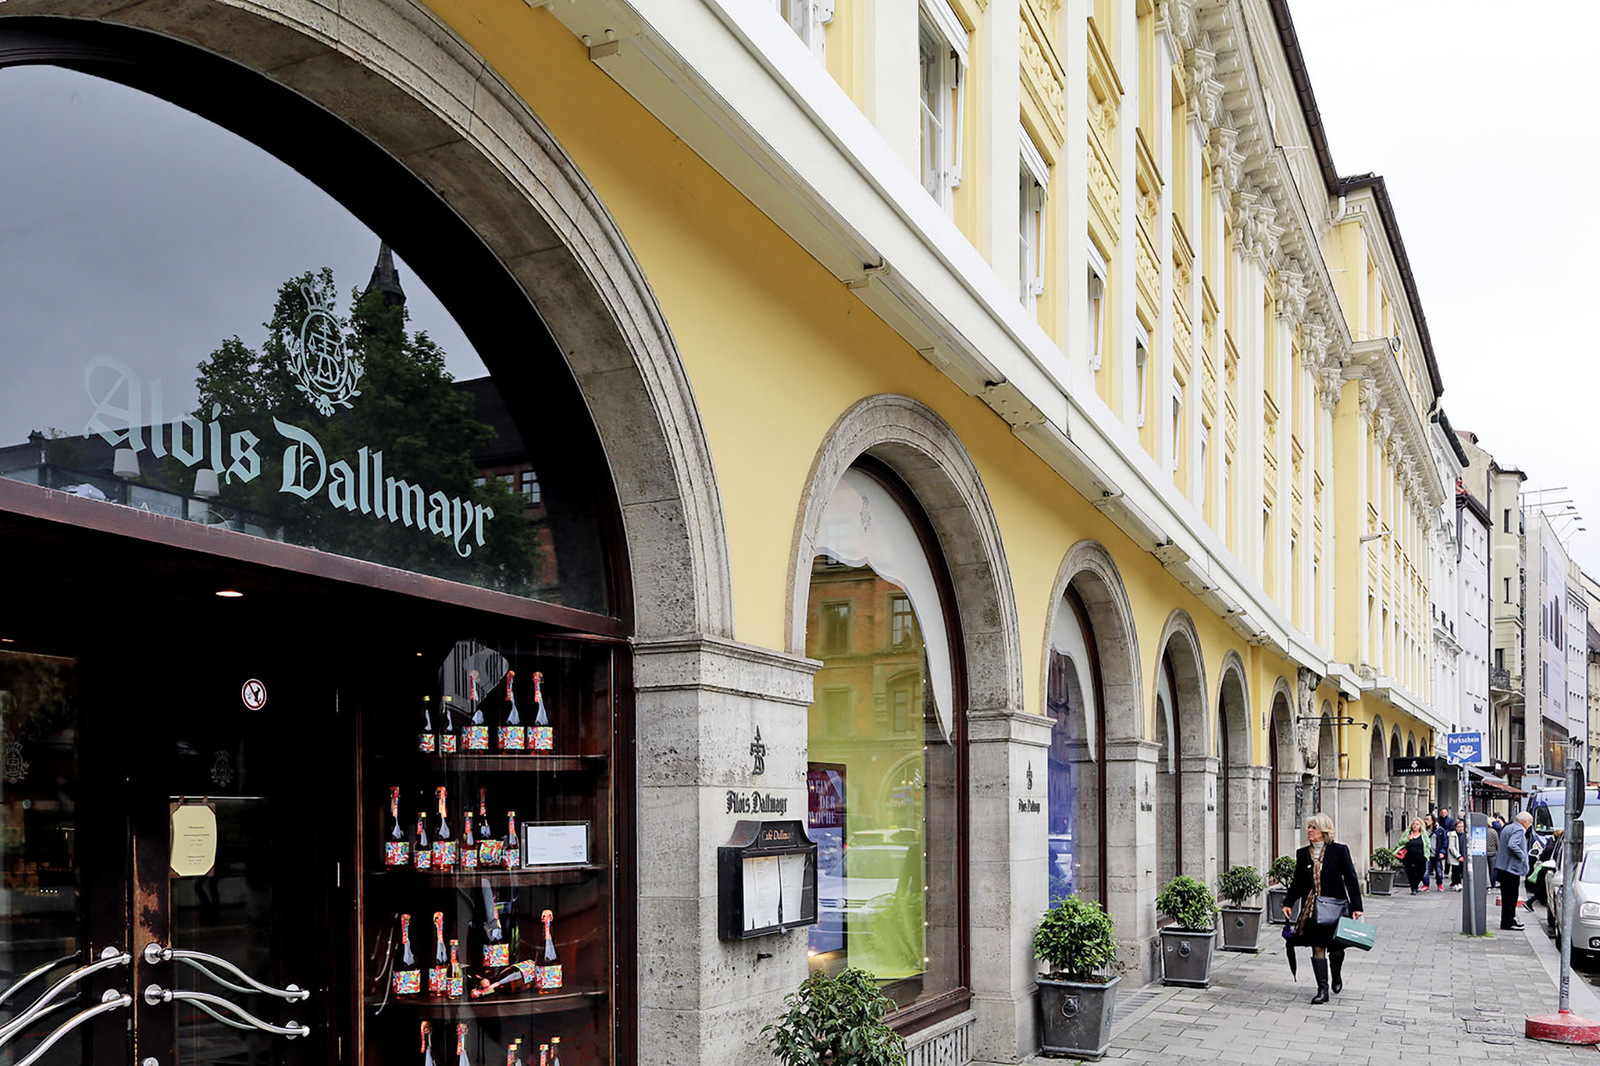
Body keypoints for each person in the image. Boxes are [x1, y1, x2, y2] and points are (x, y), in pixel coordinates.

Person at [1282, 813, 1364, 1004]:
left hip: (1336, 907)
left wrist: (1357, 907)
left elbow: (1351, 879)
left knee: (1336, 949)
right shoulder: (1303, 854)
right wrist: (1288, 902)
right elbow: (1298, 882)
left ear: (1324, 831)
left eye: (1313, 828)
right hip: (1313, 910)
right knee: (1317, 946)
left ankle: (1336, 975)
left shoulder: (1339, 851)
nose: (1309, 831)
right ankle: (1322, 989)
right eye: (1309, 827)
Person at [1493, 811, 1534, 930]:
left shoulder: (1508, 827)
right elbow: (1512, 845)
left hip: (1503, 867)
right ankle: (1508, 921)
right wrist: (1522, 856)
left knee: (1506, 896)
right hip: (1511, 868)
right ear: (1524, 822)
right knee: (1511, 896)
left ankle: (1507, 920)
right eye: (1530, 822)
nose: (1530, 825)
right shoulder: (1519, 830)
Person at [1399, 818, 1428, 894]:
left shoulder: (1423, 835)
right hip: (1409, 857)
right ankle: (1413, 888)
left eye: (1417, 824)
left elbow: (1427, 845)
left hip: (1421, 857)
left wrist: (1426, 856)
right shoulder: (1407, 833)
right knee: (1410, 873)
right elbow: (1400, 842)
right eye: (1413, 824)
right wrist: (1407, 839)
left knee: (1421, 872)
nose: (1415, 826)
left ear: (1420, 826)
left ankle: (1416, 885)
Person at [1428, 813, 1450, 890]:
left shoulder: (1440, 830)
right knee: (1426, 871)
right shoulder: (1424, 830)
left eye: (1428, 819)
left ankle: (1440, 884)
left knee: (1439, 871)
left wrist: (1442, 851)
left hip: (1437, 853)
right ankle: (1426, 885)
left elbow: (1445, 841)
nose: (1426, 821)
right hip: (1428, 854)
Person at [1448, 819, 1465, 890]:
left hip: (1463, 854)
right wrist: (1458, 856)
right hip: (1455, 855)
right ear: (1456, 827)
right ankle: (1458, 883)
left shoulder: (1465, 834)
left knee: (1461, 869)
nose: (1461, 828)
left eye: (1462, 826)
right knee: (1456, 869)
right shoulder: (1453, 835)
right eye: (1459, 826)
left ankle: (1454, 882)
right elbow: (1451, 847)